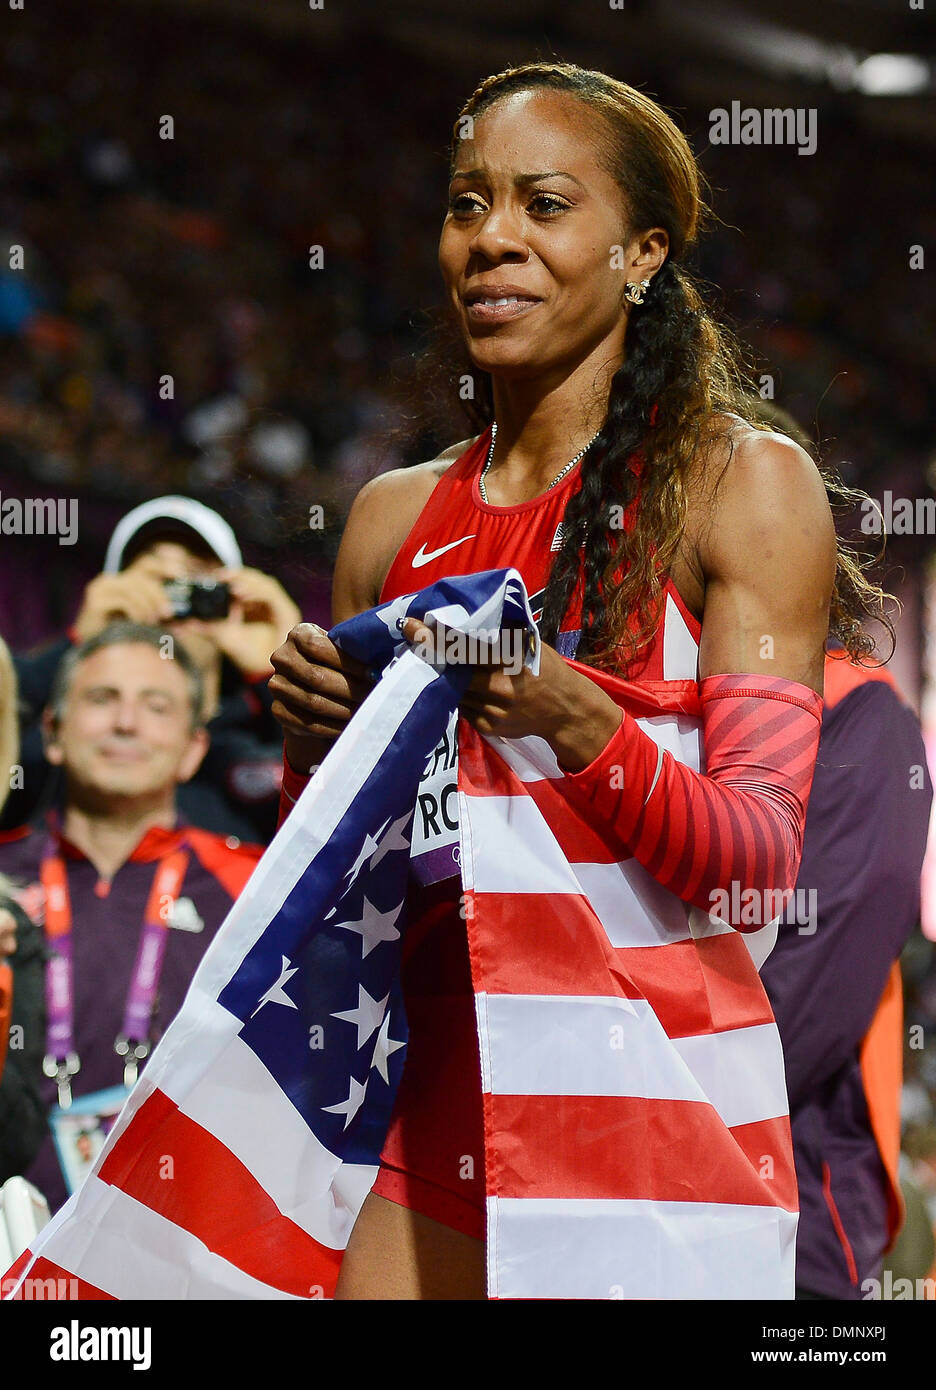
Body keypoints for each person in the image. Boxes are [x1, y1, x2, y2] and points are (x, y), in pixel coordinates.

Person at [269, 61, 892, 1300]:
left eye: (545, 205)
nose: (493, 237)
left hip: (649, 1115)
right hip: (420, 1106)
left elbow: (760, 862)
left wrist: (575, 714)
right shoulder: (392, 520)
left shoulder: (741, 486)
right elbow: (342, 886)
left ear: (642, 253)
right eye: (467, 204)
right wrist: (312, 740)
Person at [0, 622, 263, 1212]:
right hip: (14, 1235)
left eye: (156, 706)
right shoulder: (1, 878)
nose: (125, 724)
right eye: (101, 699)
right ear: (52, 732)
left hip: (194, 1235)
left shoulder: (258, 886)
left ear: (195, 747)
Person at [10, 496, 300, 844]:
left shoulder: (260, 735)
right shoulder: (69, 735)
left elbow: (344, 802)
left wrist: (282, 673)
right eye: (154, 580)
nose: (173, 602)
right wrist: (79, 646)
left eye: (195, 583)